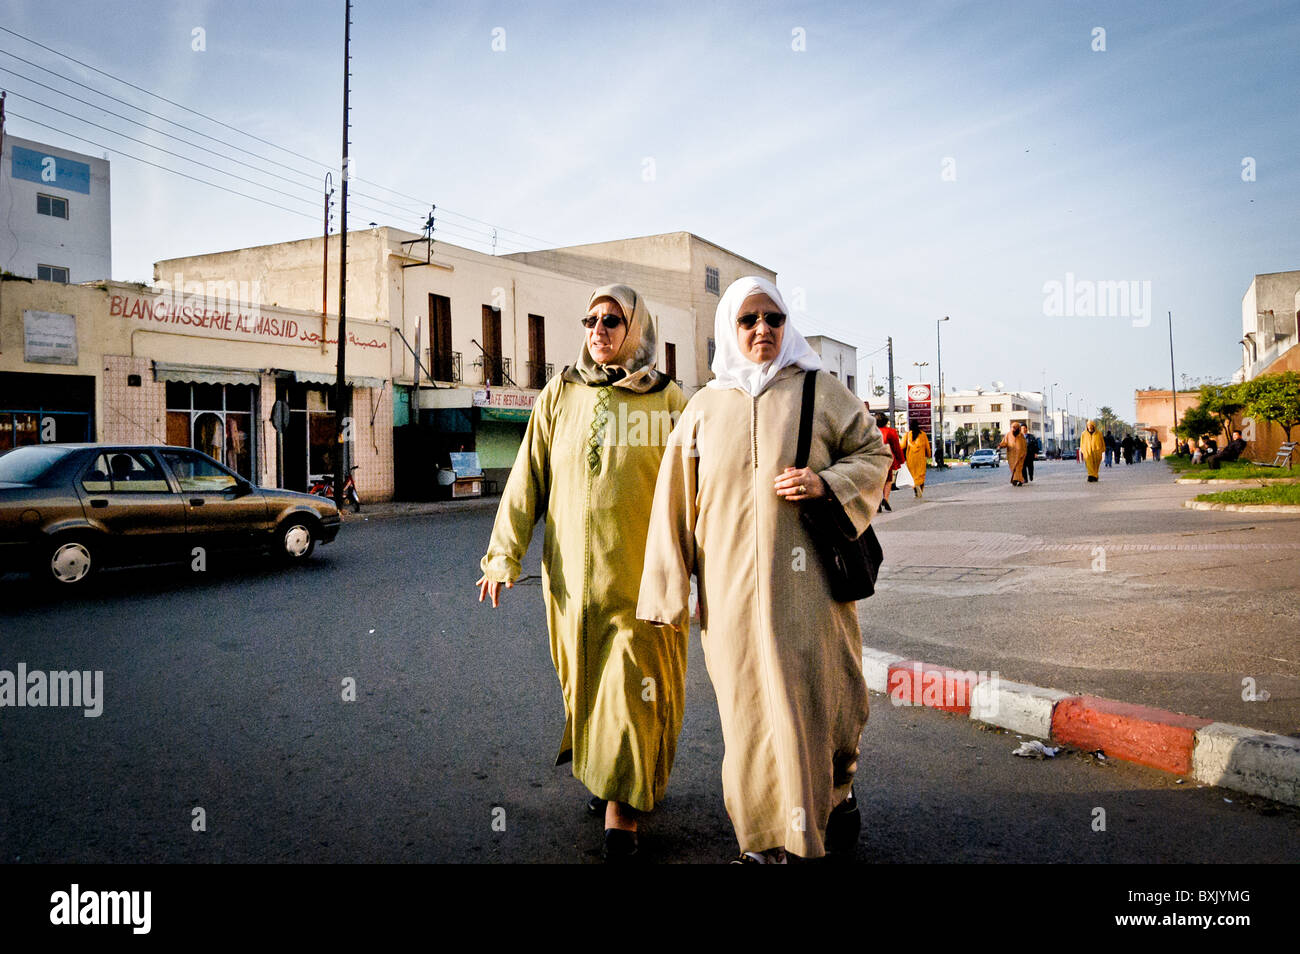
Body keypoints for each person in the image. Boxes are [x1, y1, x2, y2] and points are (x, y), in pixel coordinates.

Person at [637, 276, 892, 863]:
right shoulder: (704, 408)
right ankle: (764, 844)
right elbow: (673, 503)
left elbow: (874, 453)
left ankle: (831, 800)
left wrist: (826, 483)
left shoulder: (820, 391)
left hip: (810, 595)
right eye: (748, 319)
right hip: (729, 602)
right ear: (730, 327)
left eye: (773, 319)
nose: (762, 330)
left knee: (819, 709)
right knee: (748, 720)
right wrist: (667, 593)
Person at [477, 283, 689, 863]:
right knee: (587, 686)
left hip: (644, 582)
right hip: (571, 584)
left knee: (631, 688)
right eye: (591, 320)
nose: (598, 330)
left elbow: (699, 490)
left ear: (635, 328)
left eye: (612, 320)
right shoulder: (560, 394)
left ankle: (622, 811)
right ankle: (610, 774)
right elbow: (527, 478)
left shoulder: (669, 402)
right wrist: (503, 555)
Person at [875, 412, 904, 512]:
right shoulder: (891, 431)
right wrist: (901, 459)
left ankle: (877, 502)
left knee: (877, 481)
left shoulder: (870, 431)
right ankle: (885, 499)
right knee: (888, 480)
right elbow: (896, 447)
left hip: (874, 458)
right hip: (887, 458)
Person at [900, 422, 931, 498]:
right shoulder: (923, 435)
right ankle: (920, 490)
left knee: (913, 476)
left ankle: (916, 491)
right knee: (921, 475)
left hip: (911, 459)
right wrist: (929, 455)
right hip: (921, 459)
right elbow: (927, 447)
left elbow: (902, 446)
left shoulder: (907, 435)